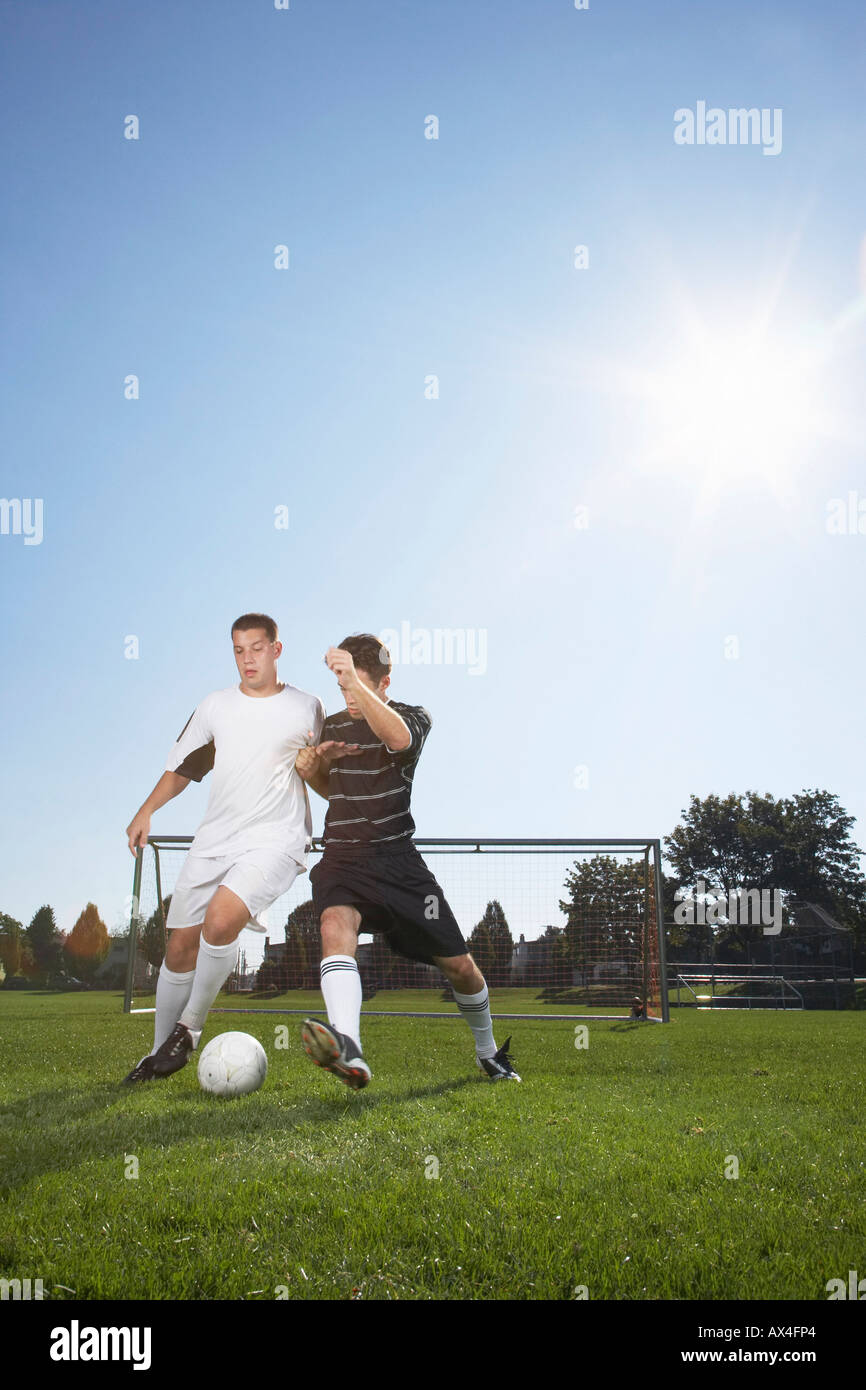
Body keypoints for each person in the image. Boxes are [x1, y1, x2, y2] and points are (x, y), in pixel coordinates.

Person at [294, 633, 520, 1090]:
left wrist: (355, 684)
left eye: (357, 686)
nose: (348, 698)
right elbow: (333, 789)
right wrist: (312, 767)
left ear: (385, 683)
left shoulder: (414, 717)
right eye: (341, 688)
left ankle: (488, 1052)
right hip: (343, 858)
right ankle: (349, 1048)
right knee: (334, 925)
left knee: (462, 968)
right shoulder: (332, 726)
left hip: (399, 863)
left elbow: (396, 740)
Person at [121, 613, 324, 1083]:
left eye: (256, 648)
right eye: (238, 650)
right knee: (179, 948)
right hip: (215, 838)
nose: (247, 658)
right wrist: (145, 810)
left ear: (276, 649)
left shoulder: (308, 707)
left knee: (221, 919)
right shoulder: (215, 706)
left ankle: (188, 1031)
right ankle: (157, 1057)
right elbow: (184, 767)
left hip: (276, 839)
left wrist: (315, 769)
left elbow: (328, 779)